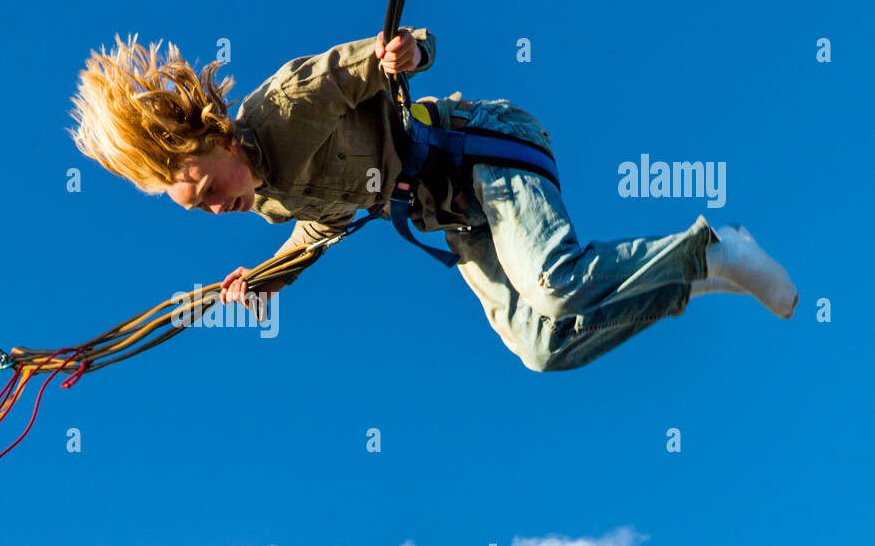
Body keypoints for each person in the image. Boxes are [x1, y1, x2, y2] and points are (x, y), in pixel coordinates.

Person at [67, 27, 798, 372]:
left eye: (203, 193)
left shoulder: (286, 108)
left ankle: (713, 244)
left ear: (215, 140)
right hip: (451, 213)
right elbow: (316, 236)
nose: (211, 211)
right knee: (542, 345)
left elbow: (397, 48)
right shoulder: (271, 201)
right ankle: (698, 276)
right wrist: (255, 280)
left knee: (556, 282)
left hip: (483, 149)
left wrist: (409, 54)